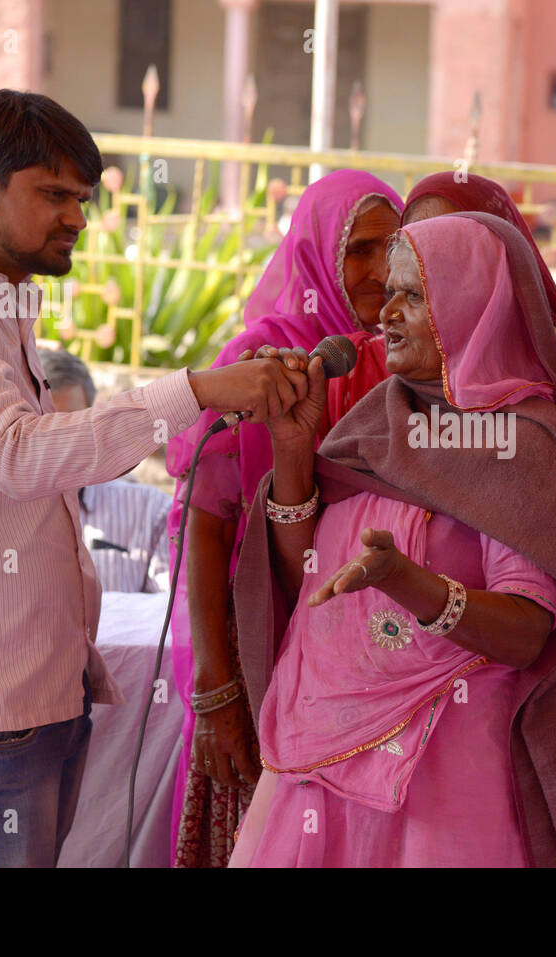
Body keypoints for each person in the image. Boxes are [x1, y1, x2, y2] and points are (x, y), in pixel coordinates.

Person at [0, 90, 323, 867]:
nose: (78, 218)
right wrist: (196, 390)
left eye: (82, 199)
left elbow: (38, 459)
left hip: (25, 703)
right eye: (54, 195)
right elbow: (20, 455)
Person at [228, 212, 556, 867]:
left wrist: (408, 582)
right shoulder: (377, 420)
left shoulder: (523, 444)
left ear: (477, 304)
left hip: (445, 773)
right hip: (320, 752)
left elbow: (530, 631)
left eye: (414, 296)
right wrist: (295, 448)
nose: (387, 312)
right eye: (388, 293)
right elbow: (309, 579)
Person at [163, 169, 403, 867]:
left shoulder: (403, 357)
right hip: (255, 648)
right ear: (316, 257)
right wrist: (215, 692)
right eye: (359, 249)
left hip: (351, 659)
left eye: (396, 246)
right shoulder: (262, 361)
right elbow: (204, 525)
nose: (382, 270)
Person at [396, 172, 556, 448]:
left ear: (498, 251)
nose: (424, 262)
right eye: (415, 242)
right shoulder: (398, 352)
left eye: (448, 244)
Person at [39, 347, 174, 593]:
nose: (56, 444)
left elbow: (167, 614)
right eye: (41, 426)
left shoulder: (149, 512)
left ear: (93, 419)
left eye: (69, 425)